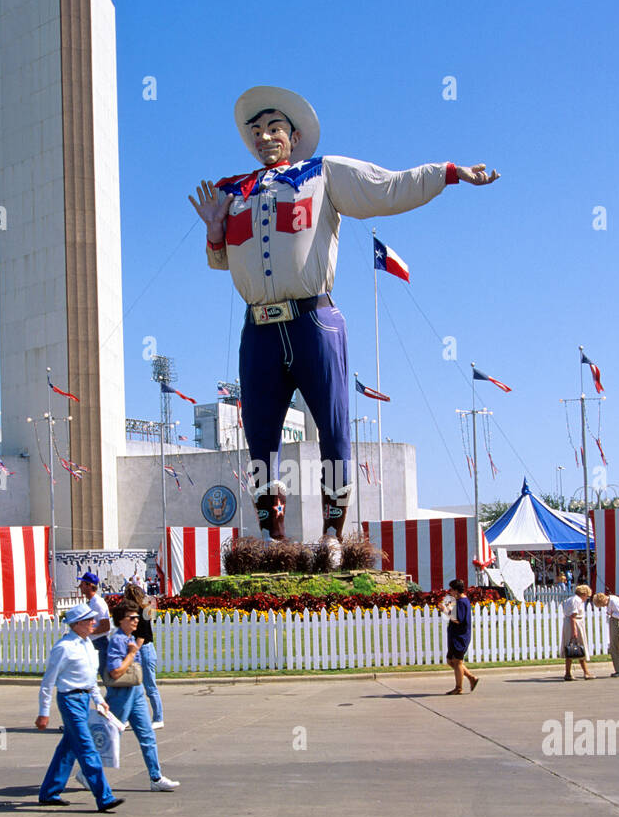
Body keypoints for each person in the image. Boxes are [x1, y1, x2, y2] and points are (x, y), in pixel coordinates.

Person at [189, 85, 499, 551]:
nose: (265, 137)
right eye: (257, 131)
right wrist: (214, 233)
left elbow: (388, 186)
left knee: (334, 431)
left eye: (275, 128)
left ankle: (333, 534)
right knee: (258, 437)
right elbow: (223, 260)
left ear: (294, 136)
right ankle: (272, 535)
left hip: (314, 319)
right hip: (259, 328)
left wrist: (450, 173)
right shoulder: (234, 191)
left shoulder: (322, 173)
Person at [34, 603, 124, 811]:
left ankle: (49, 791)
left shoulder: (87, 645)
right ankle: (104, 796)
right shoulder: (63, 648)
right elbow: (48, 682)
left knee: (68, 748)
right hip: (70, 700)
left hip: (83, 700)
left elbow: (90, 678)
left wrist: (98, 700)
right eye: (89, 620)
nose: (94, 622)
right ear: (77, 624)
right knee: (86, 748)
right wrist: (43, 712)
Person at [103, 603, 178, 792]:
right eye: (132, 618)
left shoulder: (129, 637)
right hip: (121, 694)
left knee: (147, 735)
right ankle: (89, 773)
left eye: (137, 617)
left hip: (135, 692)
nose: (137, 620)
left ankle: (156, 777)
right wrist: (131, 654)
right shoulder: (118, 640)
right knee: (112, 736)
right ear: (121, 620)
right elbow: (114, 672)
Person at [123, 581, 163, 728]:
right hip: (140, 649)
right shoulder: (135, 613)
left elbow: (142, 636)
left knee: (150, 685)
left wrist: (133, 653)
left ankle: (158, 718)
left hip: (144, 650)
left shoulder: (143, 613)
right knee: (132, 686)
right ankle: (128, 717)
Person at [439, 579, 479, 696]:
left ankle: (459, 687)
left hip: (460, 636)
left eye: (451, 589)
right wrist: (449, 607)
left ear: (456, 591)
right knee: (451, 661)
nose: (450, 592)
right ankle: (471, 678)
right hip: (455, 635)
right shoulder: (459, 601)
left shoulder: (462, 602)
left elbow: (457, 620)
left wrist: (445, 611)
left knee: (457, 661)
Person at [78, 571, 111, 676]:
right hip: (94, 643)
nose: (80, 586)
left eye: (82, 584)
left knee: (106, 676)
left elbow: (106, 626)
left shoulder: (98, 603)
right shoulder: (91, 602)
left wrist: (88, 631)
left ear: (89, 586)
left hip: (100, 643)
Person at [560, 583, 595, 680]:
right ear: (584, 594)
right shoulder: (577, 600)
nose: (586, 598)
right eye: (587, 596)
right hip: (575, 624)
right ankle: (586, 672)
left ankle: (568, 673)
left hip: (569, 623)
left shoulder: (570, 599)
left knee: (570, 648)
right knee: (580, 647)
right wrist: (574, 630)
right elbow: (573, 616)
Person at [592, 592, 619, 677]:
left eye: (602, 605)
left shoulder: (614, 602)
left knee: (616, 647)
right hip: (613, 622)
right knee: (614, 647)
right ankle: (618, 669)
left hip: (617, 623)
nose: (604, 606)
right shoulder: (611, 600)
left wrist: (611, 614)